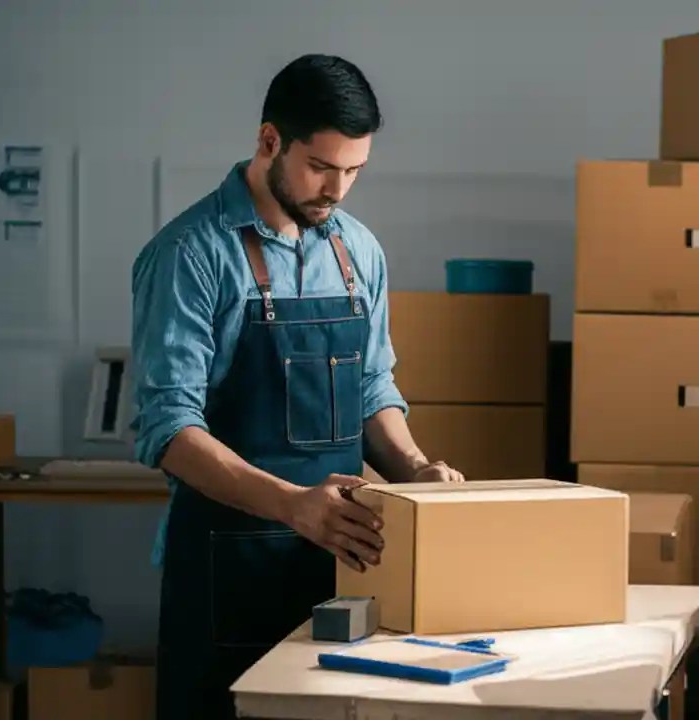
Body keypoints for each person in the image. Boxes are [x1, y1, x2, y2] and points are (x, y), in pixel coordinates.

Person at [129, 54, 465, 720]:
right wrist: (292, 506)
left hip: (341, 564)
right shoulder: (190, 254)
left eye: (354, 172)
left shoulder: (358, 251)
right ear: (269, 141)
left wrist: (415, 471)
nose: (337, 190)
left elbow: (371, 385)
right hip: (227, 572)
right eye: (320, 167)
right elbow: (168, 428)